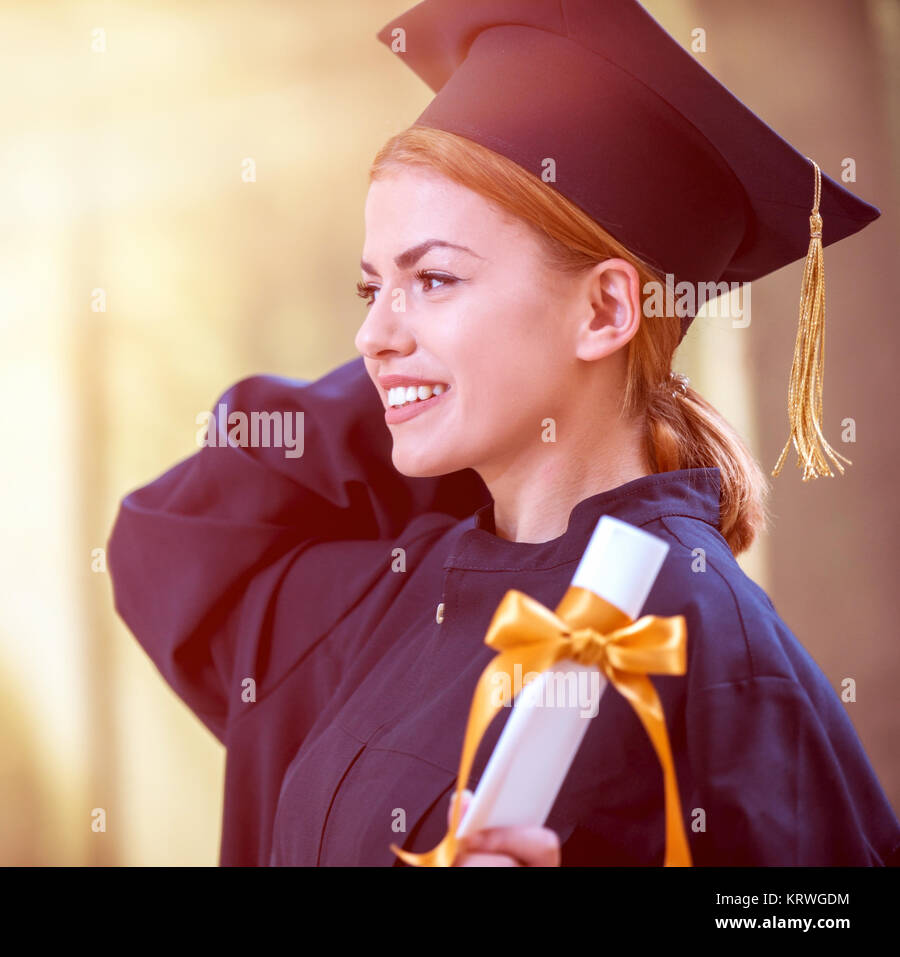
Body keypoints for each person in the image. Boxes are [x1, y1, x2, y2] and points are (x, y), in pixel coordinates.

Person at [106, 0, 900, 865]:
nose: (371, 334)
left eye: (437, 276)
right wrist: (432, 371)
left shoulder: (693, 637)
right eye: (374, 290)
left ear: (604, 308)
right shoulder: (401, 589)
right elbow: (179, 540)